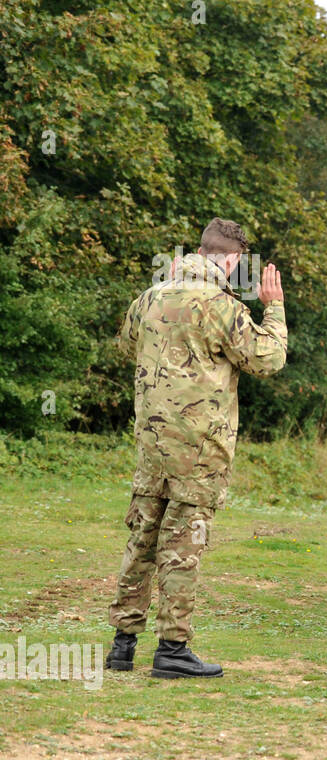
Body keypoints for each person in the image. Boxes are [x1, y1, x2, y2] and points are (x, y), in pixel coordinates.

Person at [106, 218, 288, 678]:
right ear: (230, 260)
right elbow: (267, 359)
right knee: (182, 548)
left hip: (151, 446)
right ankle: (172, 649)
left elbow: (128, 346)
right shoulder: (220, 306)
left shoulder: (149, 297)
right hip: (199, 452)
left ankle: (122, 645)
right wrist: (275, 309)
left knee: (141, 542)